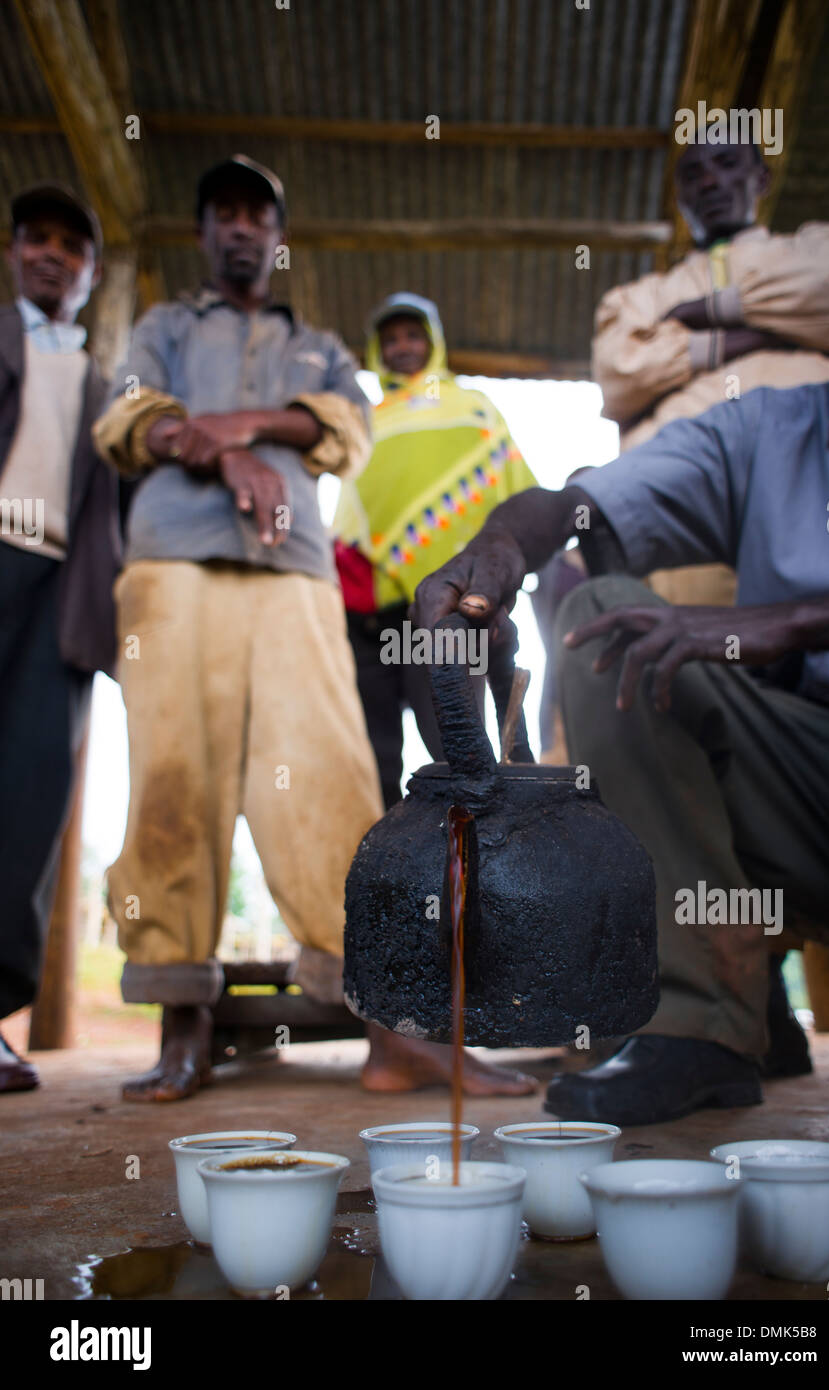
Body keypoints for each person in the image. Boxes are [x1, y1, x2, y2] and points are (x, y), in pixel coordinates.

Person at [94, 158, 534, 1102]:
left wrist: (227, 436)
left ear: (277, 234)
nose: (242, 226)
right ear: (205, 231)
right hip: (171, 565)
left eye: (259, 212)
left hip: (291, 575)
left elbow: (345, 426)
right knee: (176, 774)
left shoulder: (324, 346)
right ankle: (183, 1019)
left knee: (330, 775)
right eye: (224, 212)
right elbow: (127, 416)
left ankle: (392, 1028)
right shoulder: (164, 326)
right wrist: (232, 453)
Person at [413, 279, 829, 1126]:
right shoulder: (769, 429)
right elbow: (581, 504)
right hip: (815, 798)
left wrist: (792, 621)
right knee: (605, 621)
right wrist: (496, 551)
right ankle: (705, 1017)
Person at [592, 139, 829, 607]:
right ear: (679, 199)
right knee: (686, 653)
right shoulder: (638, 295)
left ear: (761, 179)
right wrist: (770, 331)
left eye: (726, 164)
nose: (710, 181)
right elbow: (621, 372)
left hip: (818, 480)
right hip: (687, 508)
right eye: (692, 174)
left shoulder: (828, 245)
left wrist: (712, 310)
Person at [0, 184, 123, 1092]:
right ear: (12, 252)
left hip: (59, 596)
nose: (52, 255)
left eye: (71, 247)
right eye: (36, 238)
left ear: (91, 273)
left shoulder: (101, 384)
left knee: (33, 794)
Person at [332, 292, 537, 806]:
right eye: (391, 339)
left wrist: (504, 566)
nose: (402, 347)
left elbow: (517, 493)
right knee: (375, 758)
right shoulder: (368, 419)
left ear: (434, 341)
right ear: (378, 351)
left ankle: (474, 873)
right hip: (382, 609)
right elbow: (351, 512)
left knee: (458, 746)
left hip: (460, 602)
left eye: (413, 334)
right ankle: (394, 873)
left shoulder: (475, 407)